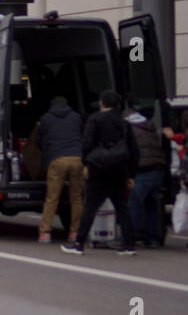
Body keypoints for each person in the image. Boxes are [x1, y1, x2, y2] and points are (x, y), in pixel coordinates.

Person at [62, 90, 139, 257]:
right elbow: (134, 150)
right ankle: (129, 245)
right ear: (118, 105)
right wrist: (131, 174)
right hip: (119, 170)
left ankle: (78, 243)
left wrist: (86, 163)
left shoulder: (95, 119)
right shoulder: (124, 123)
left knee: (90, 207)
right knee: (122, 208)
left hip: (99, 169)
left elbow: (87, 143)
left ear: (101, 103)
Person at [36, 95, 84, 244]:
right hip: (77, 158)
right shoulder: (76, 117)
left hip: (57, 159)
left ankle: (45, 233)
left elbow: (39, 141)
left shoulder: (46, 118)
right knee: (76, 198)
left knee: (52, 198)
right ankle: (75, 232)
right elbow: (82, 136)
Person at [125, 105, 169, 247]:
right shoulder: (150, 127)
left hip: (143, 170)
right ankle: (153, 238)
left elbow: (129, 151)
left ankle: (129, 237)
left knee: (133, 204)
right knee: (152, 205)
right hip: (158, 169)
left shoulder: (129, 128)